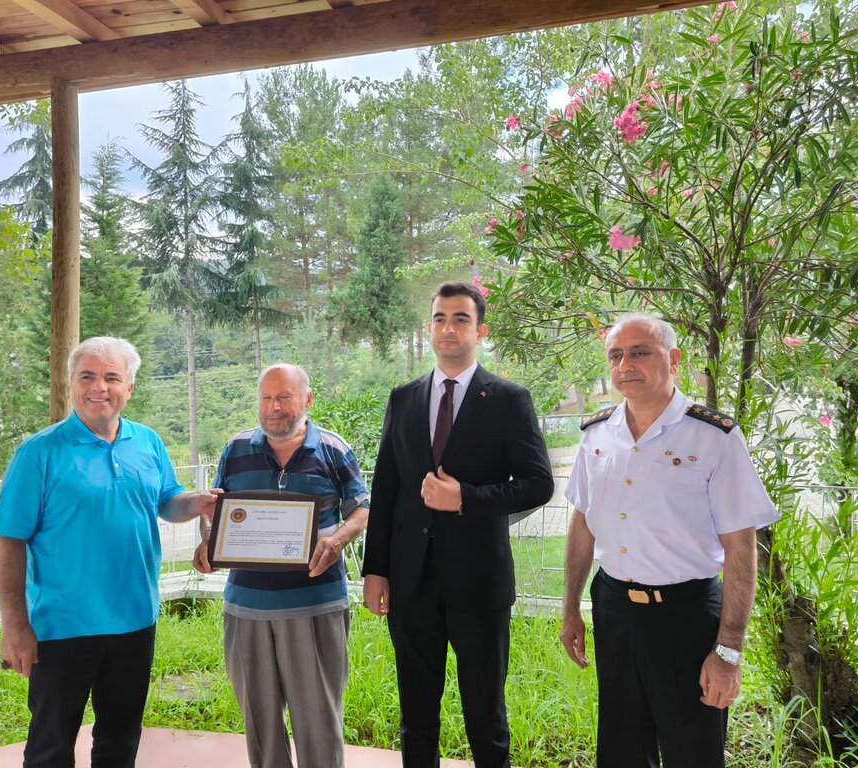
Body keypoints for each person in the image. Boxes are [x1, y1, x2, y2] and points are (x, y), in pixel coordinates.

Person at [559, 313, 779, 768]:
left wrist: (729, 649)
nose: (625, 365)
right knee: (621, 749)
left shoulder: (713, 436)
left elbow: (741, 549)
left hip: (687, 617)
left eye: (640, 352)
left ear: (673, 359)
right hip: (615, 608)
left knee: (692, 752)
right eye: (616, 355)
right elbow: (582, 524)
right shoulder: (598, 434)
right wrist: (570, 608)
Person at [0, 335, 219, 768]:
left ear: (128, 388)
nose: (100, 387)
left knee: (119, 742)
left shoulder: (148, 442)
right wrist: (15, 626)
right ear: (71, 384)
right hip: (61, 628)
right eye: (88, 376)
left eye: (112, 377)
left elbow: (167, 502)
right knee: (50, 748)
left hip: (135, 621)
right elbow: (9, 542)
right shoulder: (38, 453)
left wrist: (199, 502)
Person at [362, 280, 554, 768]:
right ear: (429, 328)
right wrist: (375, 569)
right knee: (416, 717)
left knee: (486, 719)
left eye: (461, 319)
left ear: (480, 330)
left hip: (479, 584)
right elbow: (385, 490)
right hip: (411, 585)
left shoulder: (509, 399)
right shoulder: (403, 398)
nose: (449, 328)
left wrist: (465, 498)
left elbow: (537, 484)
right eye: (441, 319)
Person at [192, 363, 369, 768]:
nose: (275, 407)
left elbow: (361, 508)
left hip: (315, 604)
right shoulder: (235, 449)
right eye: (267, 398)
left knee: (319, 722)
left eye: (285, 397)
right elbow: (214, 509)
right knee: (260, 723)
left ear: (306, 400)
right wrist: (208, 539)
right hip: (247, 609)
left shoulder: (333, 448)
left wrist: (338, 537)